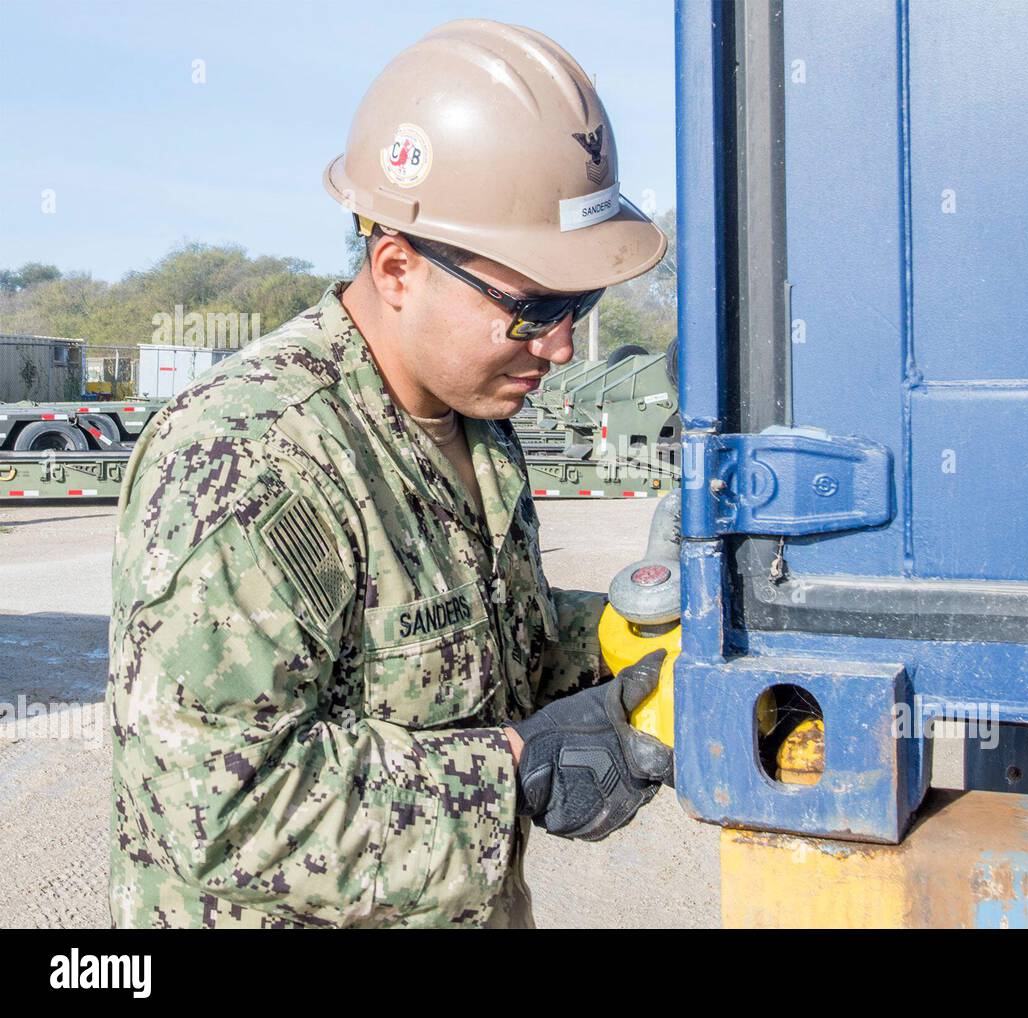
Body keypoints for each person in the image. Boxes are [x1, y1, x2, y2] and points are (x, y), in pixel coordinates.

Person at [107, 19, 671, 929]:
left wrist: (626, 635)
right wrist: (509, 777)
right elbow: (216, 807)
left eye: (583, 304)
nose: (563, 347)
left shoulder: (474, 421)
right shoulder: (248, 459)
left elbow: (478, 646)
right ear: (398, 267)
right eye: (535, 309)